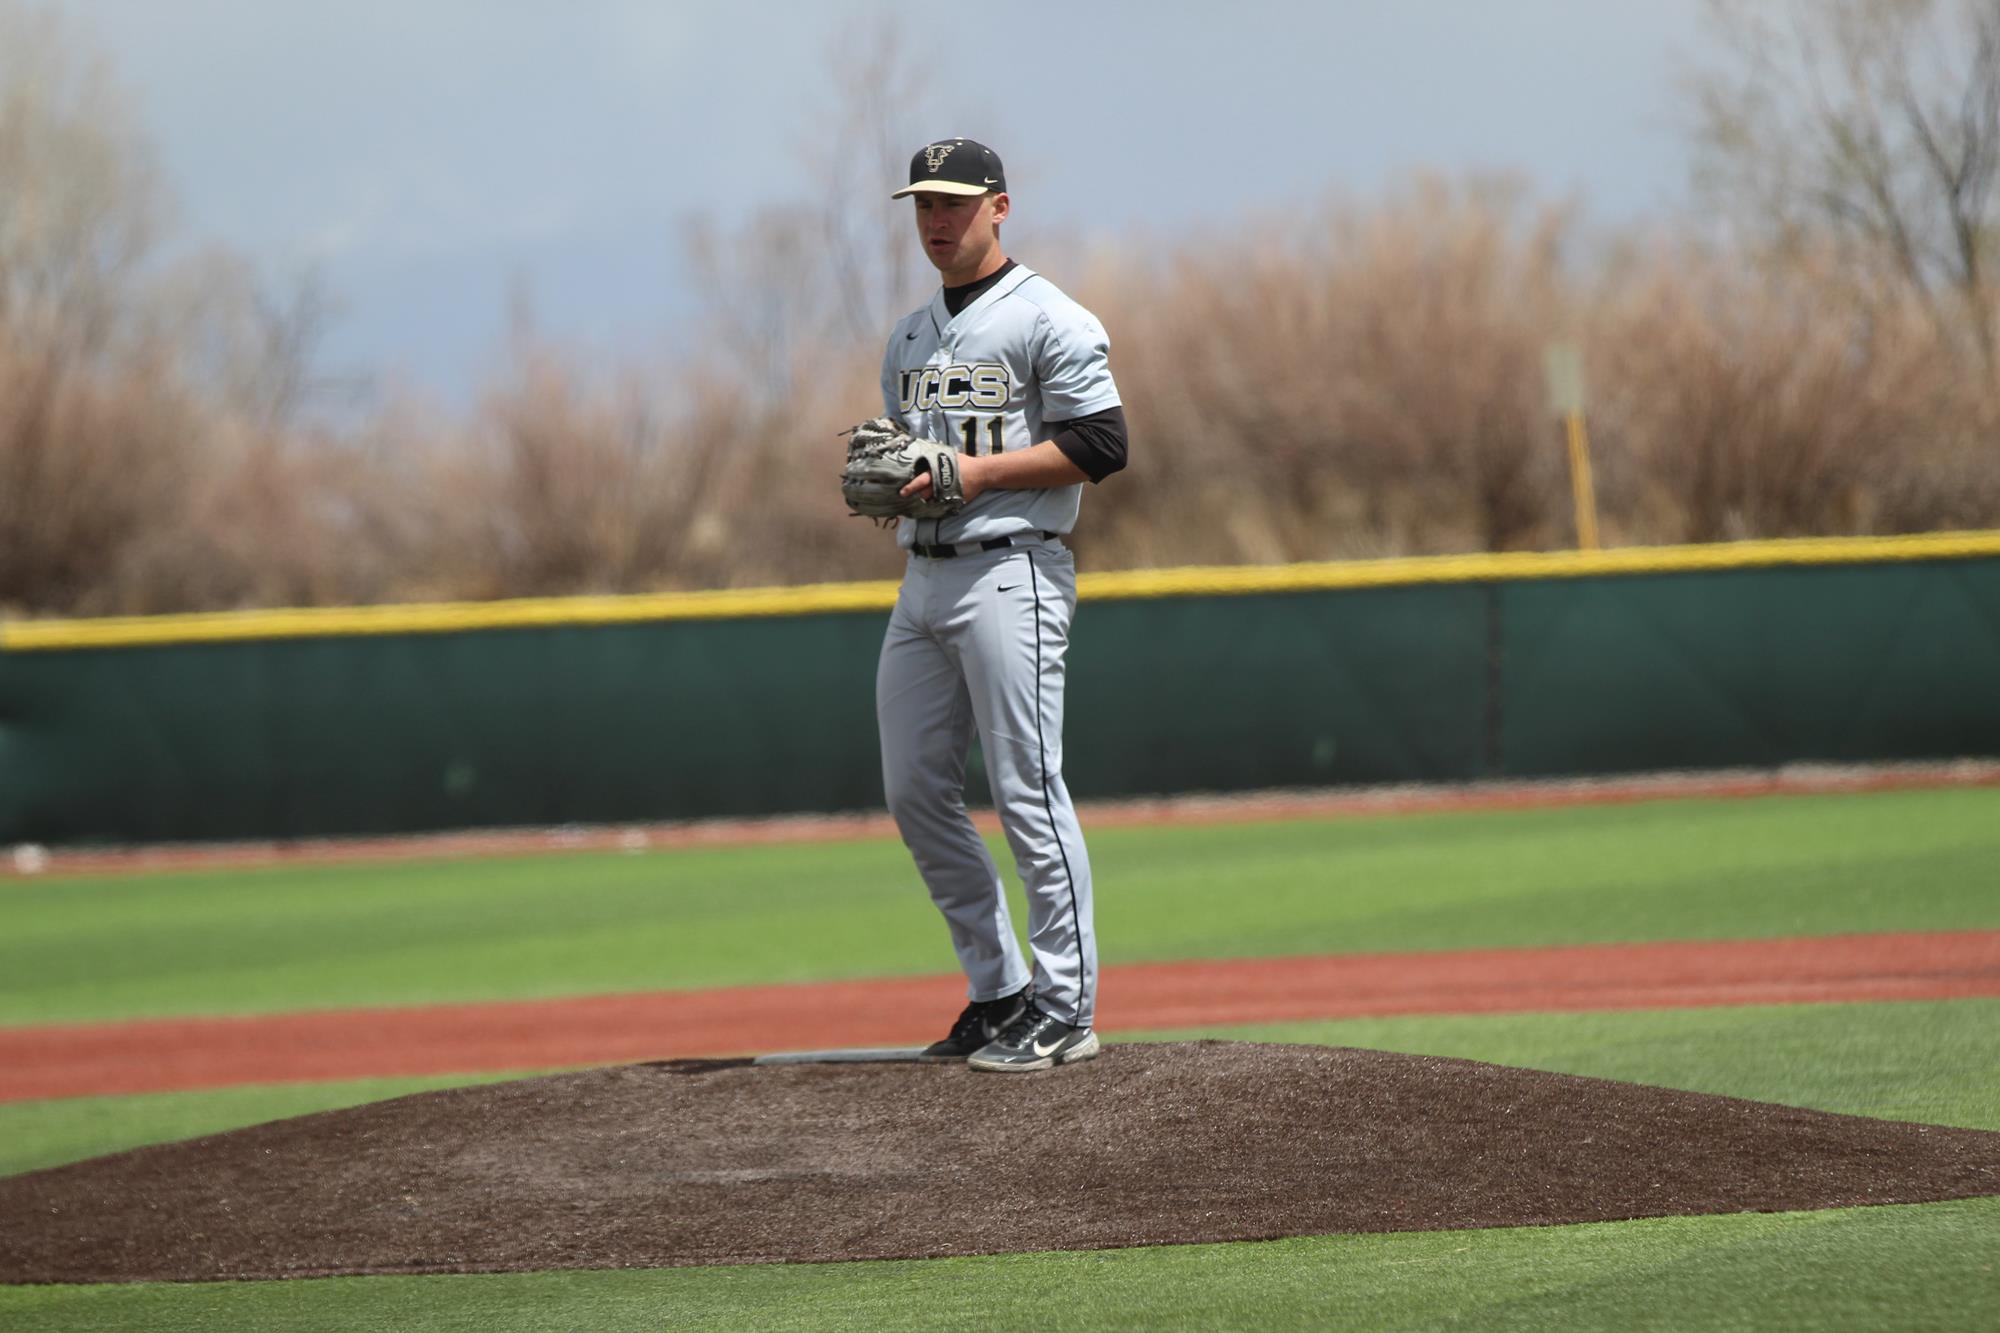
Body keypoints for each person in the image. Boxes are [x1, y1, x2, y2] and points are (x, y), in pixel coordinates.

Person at [873, 137, 1129, 1073]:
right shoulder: (906, 337)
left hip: (1011, 570)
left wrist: (975, 473)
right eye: (923, 207)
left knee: (1028, 788)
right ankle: (1000, 988)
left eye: (954, 203)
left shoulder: (1048, 316)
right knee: (913, 790)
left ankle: (1066, 1006)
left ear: (1000, 207)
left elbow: (1103, 443)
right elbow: (915, 461)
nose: (937, 221)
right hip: (923, 578)